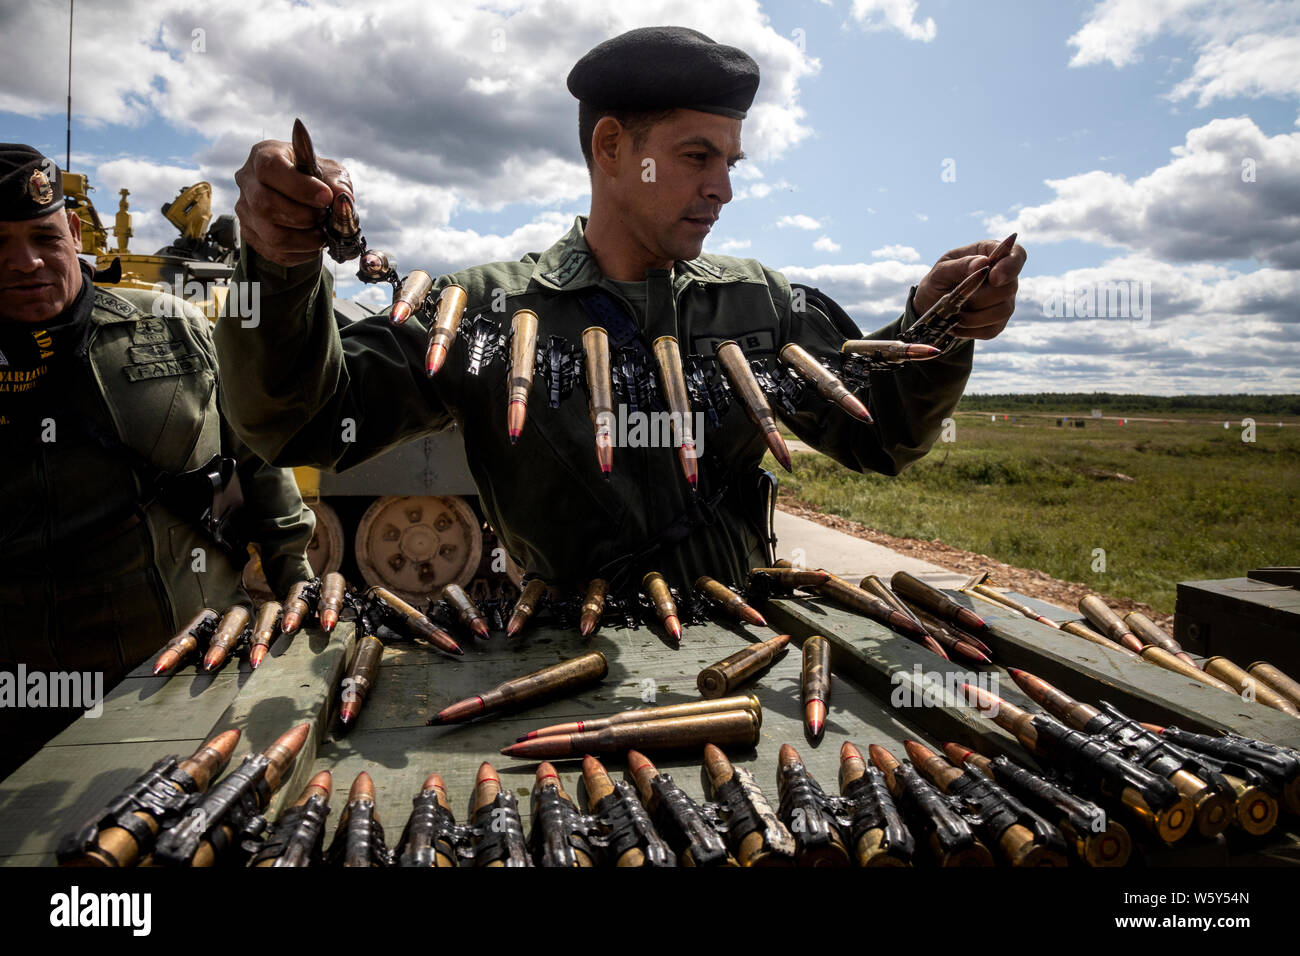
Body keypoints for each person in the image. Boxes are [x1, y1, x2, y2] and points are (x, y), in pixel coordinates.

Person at [215, 26, 1024, 594]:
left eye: (731, 160)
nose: (724, 187)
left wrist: (936, 323)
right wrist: (280, 268)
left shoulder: (761, 305)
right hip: (561, 663)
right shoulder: (484, 309)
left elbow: (881, 433)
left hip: (736, 652)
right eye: (696, 156)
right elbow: (300, 426)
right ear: (611, 150)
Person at [0, 144, 315, 775]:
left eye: (43, 236)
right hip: (36, 712)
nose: (25, 262)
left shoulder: (171, 324)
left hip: (209, 674)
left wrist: (296, 577)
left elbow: (254, 452)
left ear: (75, 232)